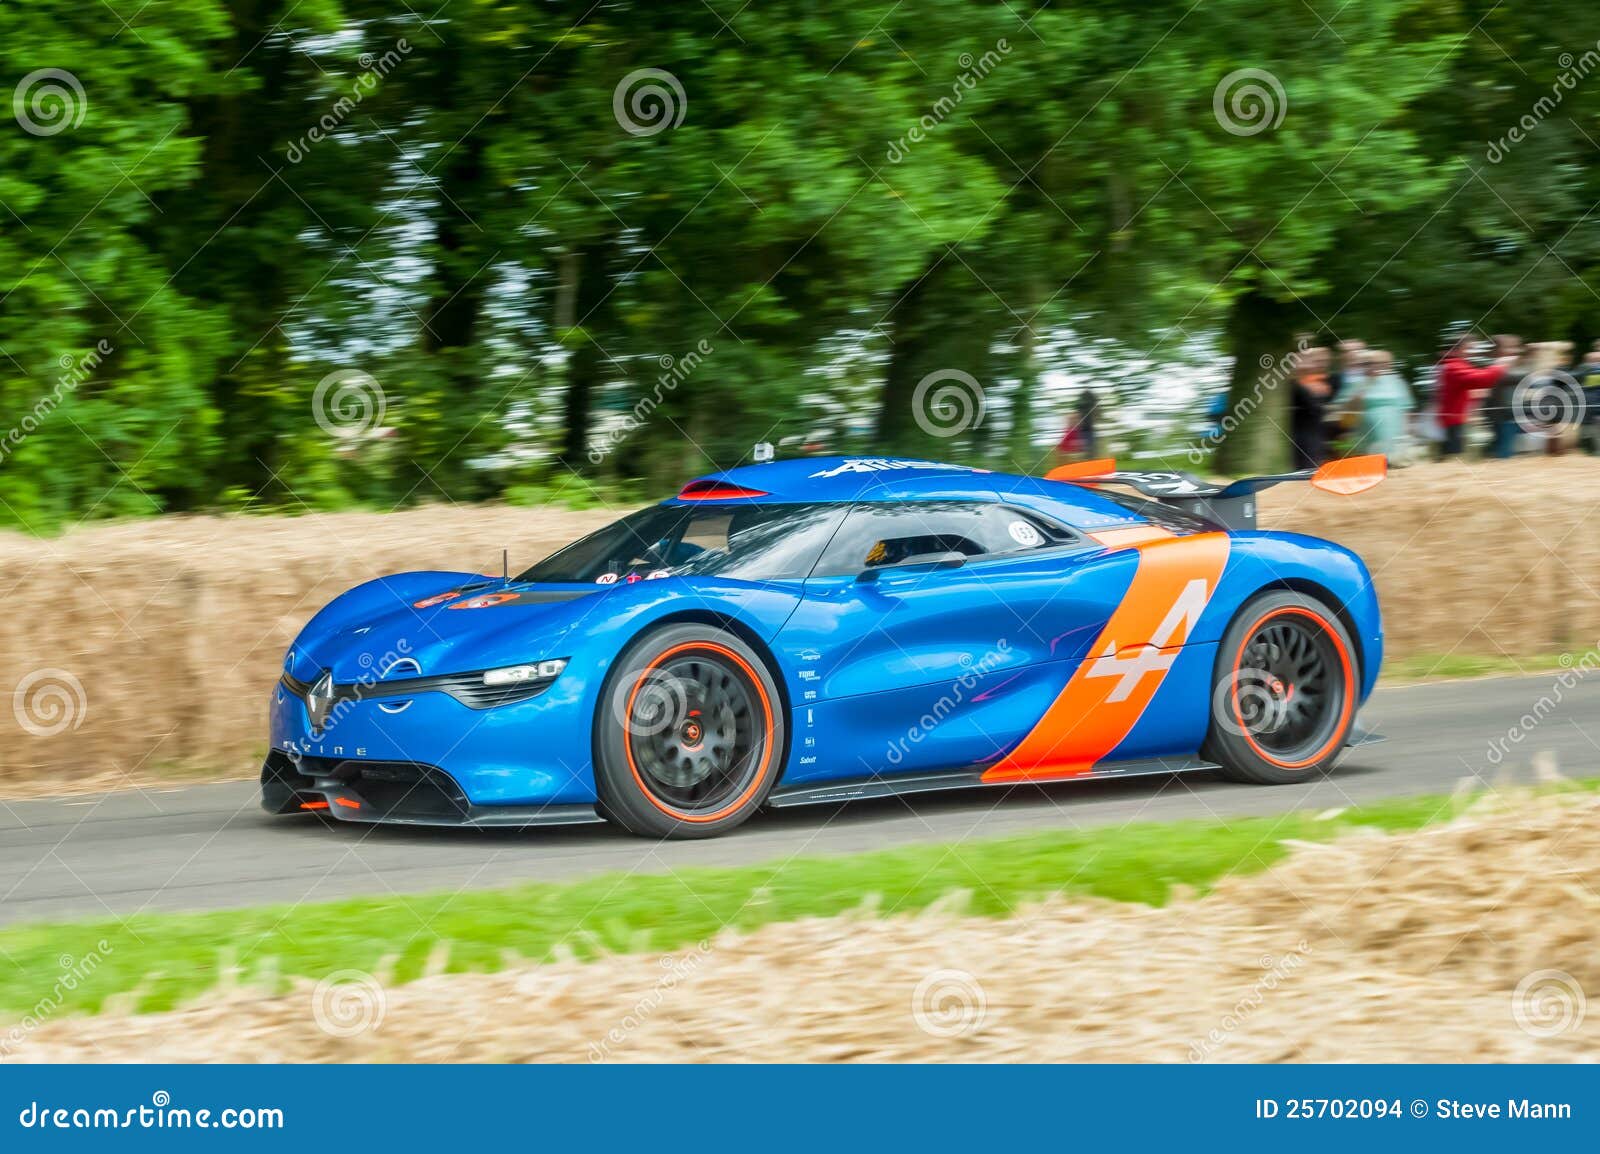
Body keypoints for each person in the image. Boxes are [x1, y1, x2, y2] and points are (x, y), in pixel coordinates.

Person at [1435, 331, 1510, 458]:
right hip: (1453, 422)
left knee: (1458, 457)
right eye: (1469, 348)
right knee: (1455, 459)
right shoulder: (1453, 367)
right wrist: (1500, 366)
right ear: (1457, 349)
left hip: (1457, 420)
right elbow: (1480, 380)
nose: (1472, 352)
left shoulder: (1456, 365)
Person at [1354, 349, 1412, 460]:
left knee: (1392, 461)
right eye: (1366, 364)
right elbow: (1350, 412)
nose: (1371, 366)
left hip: (1393, 429)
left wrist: (1406, 432)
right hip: (1367, 432)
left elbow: (1406, 408)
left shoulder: (1396, 381)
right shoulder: (1358, 383)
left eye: (1373, 363)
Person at [1289, 345, 1333, 469]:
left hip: (1310, 436)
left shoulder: (1319, 383)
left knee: (1308, 468)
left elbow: (1316, 409)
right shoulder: (1293, 383)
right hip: (1296, 435)